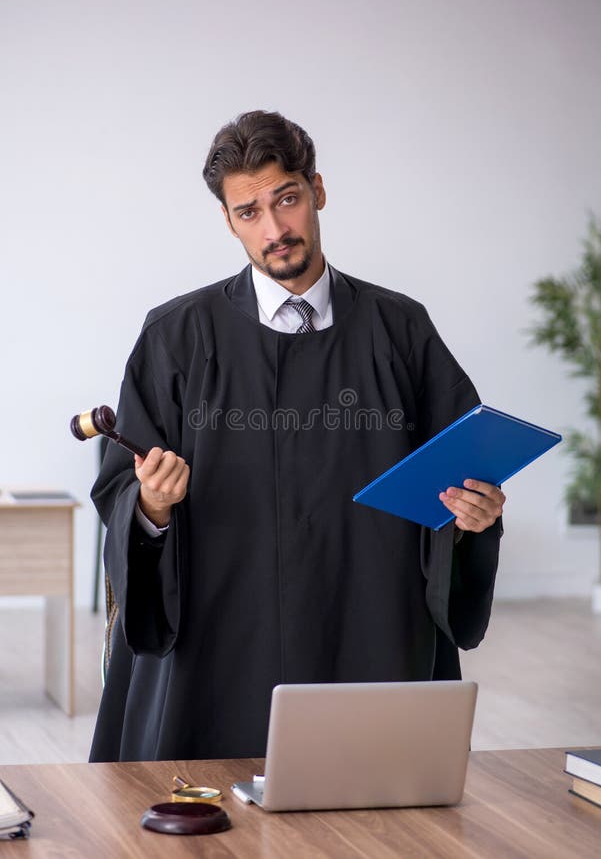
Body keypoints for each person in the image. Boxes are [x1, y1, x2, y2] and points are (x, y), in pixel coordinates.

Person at [89, 110, 504, 762]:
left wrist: (475, 513)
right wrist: (152, 506)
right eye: (248, 211)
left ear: (317, 190)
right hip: (216, 638)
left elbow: (462, 468)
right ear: (228, 221)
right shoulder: (174, 337)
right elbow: (121, 490)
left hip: (365, 626)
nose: (274, 228)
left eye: (286, 199)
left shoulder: (399, 330)